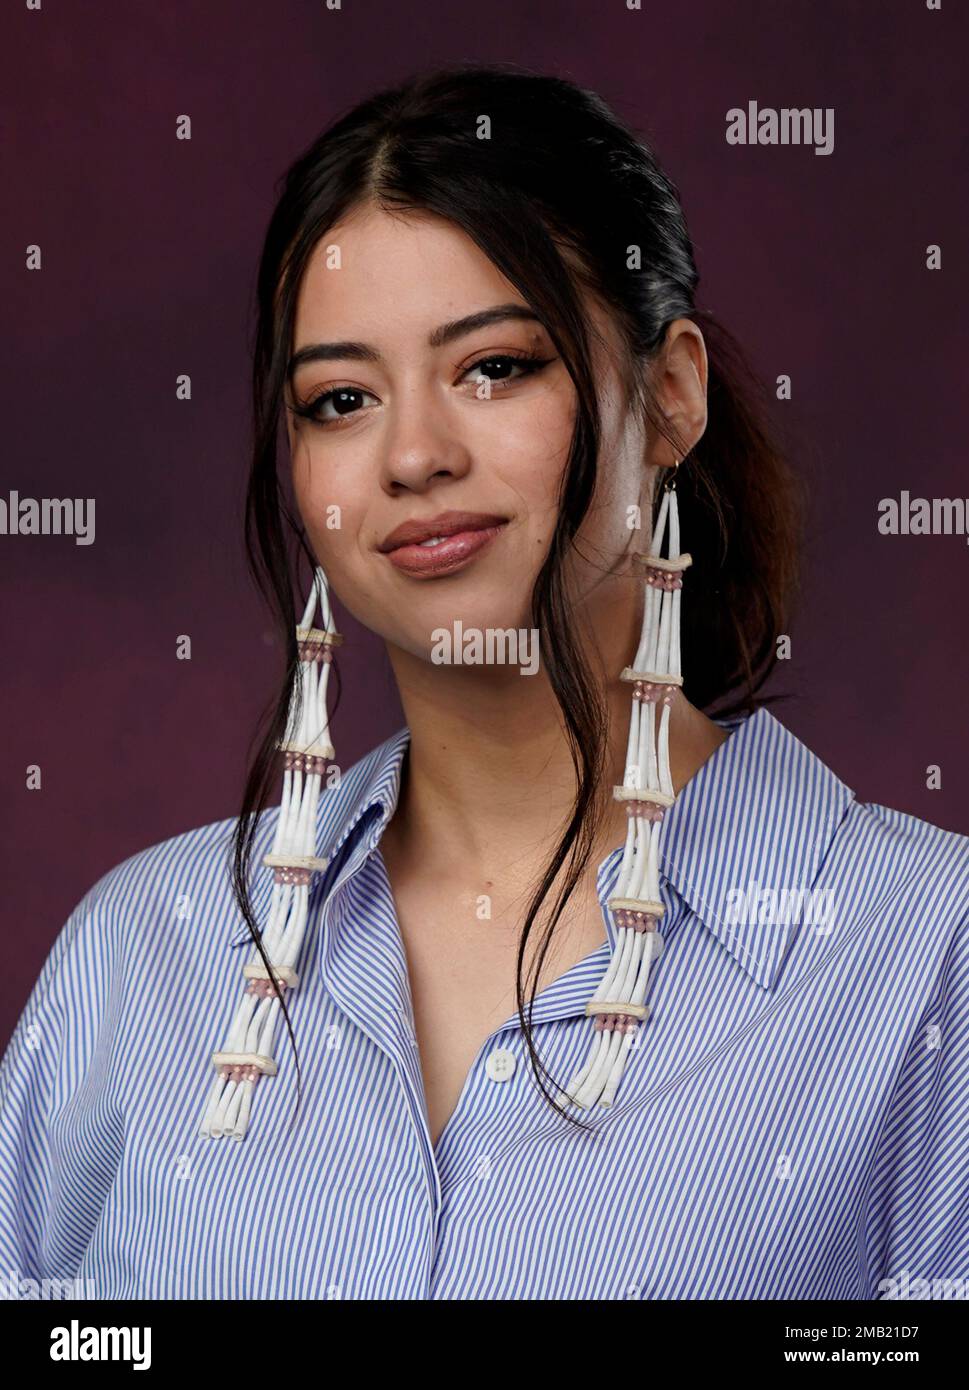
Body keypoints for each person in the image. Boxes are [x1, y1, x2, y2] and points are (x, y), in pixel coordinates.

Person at [1, 64, 966, 1301]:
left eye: (495, 367)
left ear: (670, 396)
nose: (414, 454)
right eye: (339, 399)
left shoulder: (931, 953)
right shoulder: (144, 952)